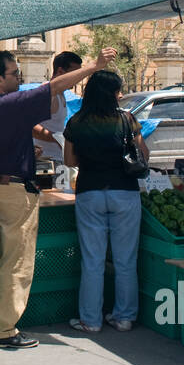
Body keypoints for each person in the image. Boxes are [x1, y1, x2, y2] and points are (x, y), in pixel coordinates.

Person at [0, 46, 116, 349]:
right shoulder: (11, 103)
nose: (19, 77)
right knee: (17, 264)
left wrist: (22, 150)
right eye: (14, 73)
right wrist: (93, 66)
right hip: (13, 192)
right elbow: (54, 86)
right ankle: (4, 330)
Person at [62, 69, 147, 333]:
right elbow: (143, 153)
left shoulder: (76, 121)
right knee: (125, 260)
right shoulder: (127, 120)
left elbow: (69, 161)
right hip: (125, 192)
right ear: (112, 93)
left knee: (93, 260)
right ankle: (124, 317)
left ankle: (90, 320)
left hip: (90, 192)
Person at [32, 51, 83, 169]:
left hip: (56, 161)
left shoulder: (61, 94)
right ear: (60, 71)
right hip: (45, 162)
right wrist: (58, 138)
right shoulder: (47, 93)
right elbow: (30, 125)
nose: (78, 78)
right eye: (75, 73)